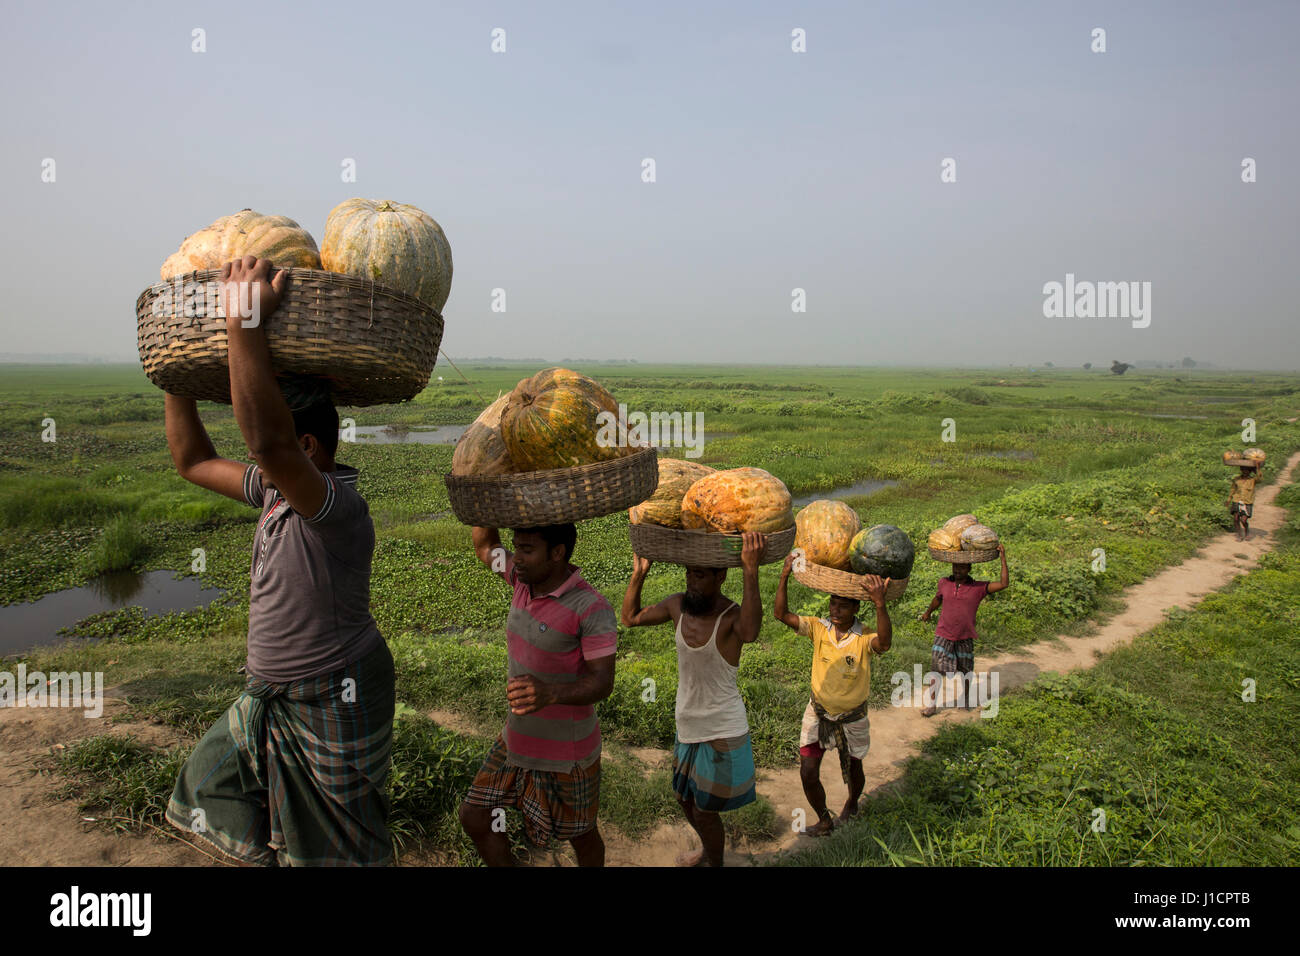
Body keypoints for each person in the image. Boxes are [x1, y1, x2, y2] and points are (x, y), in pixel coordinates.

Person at [163, 256, 396, 866]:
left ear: (308, 447)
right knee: (211, 779)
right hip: (269, 694)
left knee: (345, 844)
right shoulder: (272, 492)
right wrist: (177, 370)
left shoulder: (337, 508)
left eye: (275, 447)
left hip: (333, 693)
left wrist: (242, 322)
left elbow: (268, 442)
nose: (255, 453)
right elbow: (191, 460)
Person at [460, 523, 618, 866]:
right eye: (516, 548)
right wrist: (481, 497)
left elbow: (603, 682)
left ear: (558, 553)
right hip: (516, 740)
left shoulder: (591, 608)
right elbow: (486, 547)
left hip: (567, 755)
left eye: (527, 550)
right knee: (475, 816)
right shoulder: (520, 580)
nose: (516, 558)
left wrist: (551, 693)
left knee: (582, 836)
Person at [621, 532, 766, 867]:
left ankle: (715, 862)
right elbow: (630, 618)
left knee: (704, 809)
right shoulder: (677, 605)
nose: (692, 581)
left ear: (720, 576)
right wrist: (638, 573)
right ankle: (708, 852)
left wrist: (750, 570)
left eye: (700, 575)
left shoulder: (731, 618)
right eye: (689, 573)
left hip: (721, 728)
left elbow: (752, 631)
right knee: (684, 799)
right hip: (687, 724)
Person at [772, 553, 891, 836]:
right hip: (818, 712)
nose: (835, 611)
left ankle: (852, 802)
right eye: (832, 604)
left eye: (843, 606)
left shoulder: (863, 636)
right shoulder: (818, 628)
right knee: (807, 771)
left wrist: (880, 604)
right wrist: (784, 575)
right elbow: (780, 614)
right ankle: (824, 818)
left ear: (855, 608)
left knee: (854, 770)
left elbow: (884, 643)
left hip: (852, 717)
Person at [918, 542, 1008, 717]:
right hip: (943, 633)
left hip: (965, 635)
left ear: (969, 568)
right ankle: (932, 705)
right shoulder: (944, 583)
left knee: (966, 670)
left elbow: (1004, 584)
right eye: (955, 567)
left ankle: (965, 700)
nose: (957, 570)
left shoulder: (979, 588)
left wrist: (1003, 558)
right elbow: (937, 599)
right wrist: (928, 612)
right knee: (936, 670)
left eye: (962, 567)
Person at [1228, 462, 1263, 541]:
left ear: (1250, 471)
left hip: (1247, 502)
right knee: (1236, 518)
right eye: (1243, 469)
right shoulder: (1237, 479)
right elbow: (1233, 489)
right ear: (1241, 470)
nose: (1245, 471)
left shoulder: (1252, 480)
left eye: (1247, 470)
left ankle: (1247, 531)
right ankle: (1239, 534)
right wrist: (1229, 499)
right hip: (1236, 500)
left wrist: (1257, 469)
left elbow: (1260, 479)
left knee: (1243, 520)